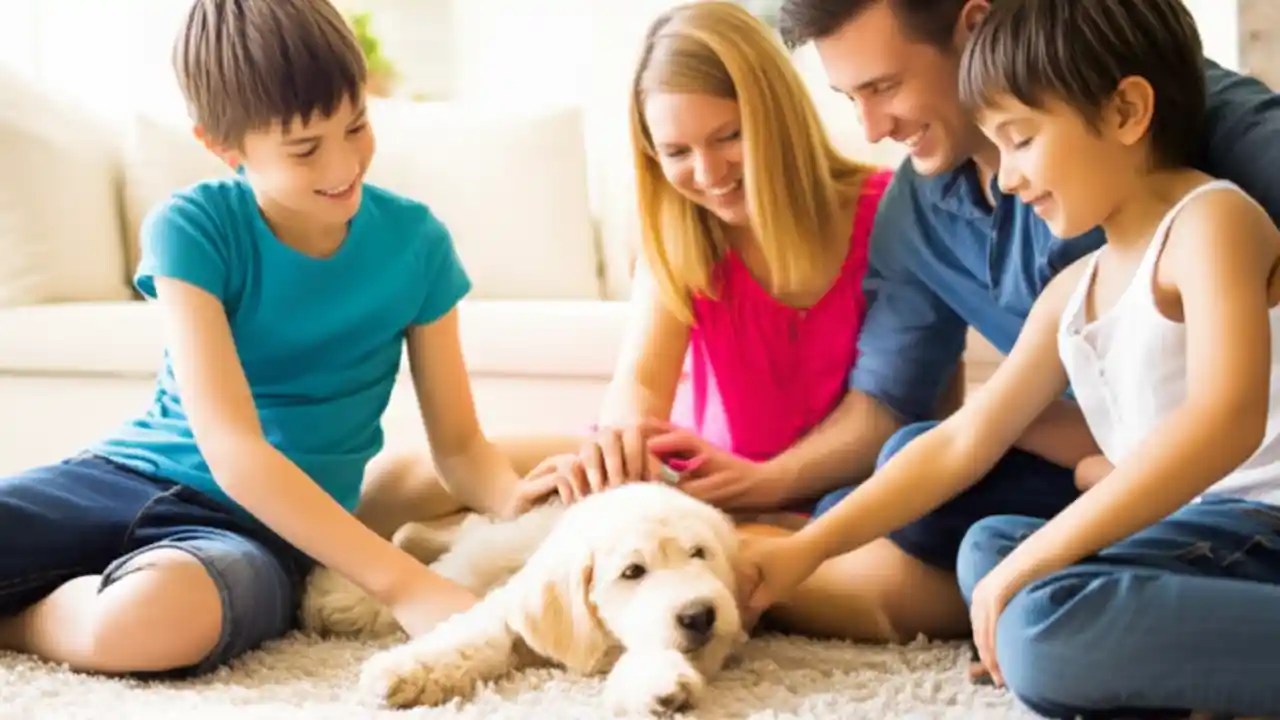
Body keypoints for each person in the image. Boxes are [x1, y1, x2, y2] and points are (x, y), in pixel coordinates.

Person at [0, 0, 556, 677]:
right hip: (120, 478)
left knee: (148, 623)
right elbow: (233, 448)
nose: (344, 163)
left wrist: (520, 511)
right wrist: (404, 584)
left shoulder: (417, 245)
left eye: (356, 125)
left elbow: (462, 448)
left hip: (258, 536)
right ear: (221, 145)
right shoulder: (193, 226)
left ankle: (22, 616)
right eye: (305, 149)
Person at [727, 0, 1280, 643]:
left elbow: (1224, 417)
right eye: (849, 98)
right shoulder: (968, 232)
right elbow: (921, 418)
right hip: (1126, 464)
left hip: (1237, 488)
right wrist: (788, 518)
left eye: (883, 86)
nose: (871, 127)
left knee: (1027, 605)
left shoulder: (1163, 129)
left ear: (973, 25)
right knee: (964, 524)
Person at [355, 1, 905, 544]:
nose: (709, 173)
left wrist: (763, 485)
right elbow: (641, 381)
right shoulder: (684, 226)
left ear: (777, 115)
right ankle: (317, 555)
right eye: (676, 151)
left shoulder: (887, 213)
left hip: (832, 494)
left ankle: (472, 547)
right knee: (404, 481)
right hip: (703, 479)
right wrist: (621, 450)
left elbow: (887, 411)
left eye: (729, 136)